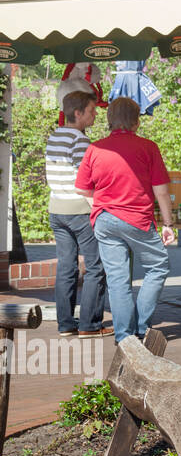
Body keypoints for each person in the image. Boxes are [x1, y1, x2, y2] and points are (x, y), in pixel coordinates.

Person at [74, 98, 176, 343]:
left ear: (110, 119)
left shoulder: (95, 149)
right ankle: (141, 328)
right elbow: (161, 191)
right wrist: (168, 224)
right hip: (137, 219)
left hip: (105, 220)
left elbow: (83, 190)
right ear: (136, 120)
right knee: (158, 266)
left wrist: (100, 207)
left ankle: (124, 337)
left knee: (118, 279)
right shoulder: (148, 147)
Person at [45, 90, 111, 338]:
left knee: (66, 267)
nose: (95, 115)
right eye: (92, 111)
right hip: (79, 210)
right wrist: (96, 207)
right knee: (95, 267)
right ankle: (90, 325)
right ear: (78, 113)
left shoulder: (55, 136)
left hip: (57, 209)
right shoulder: (81, 141)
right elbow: (86, 181)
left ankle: (65, 324)